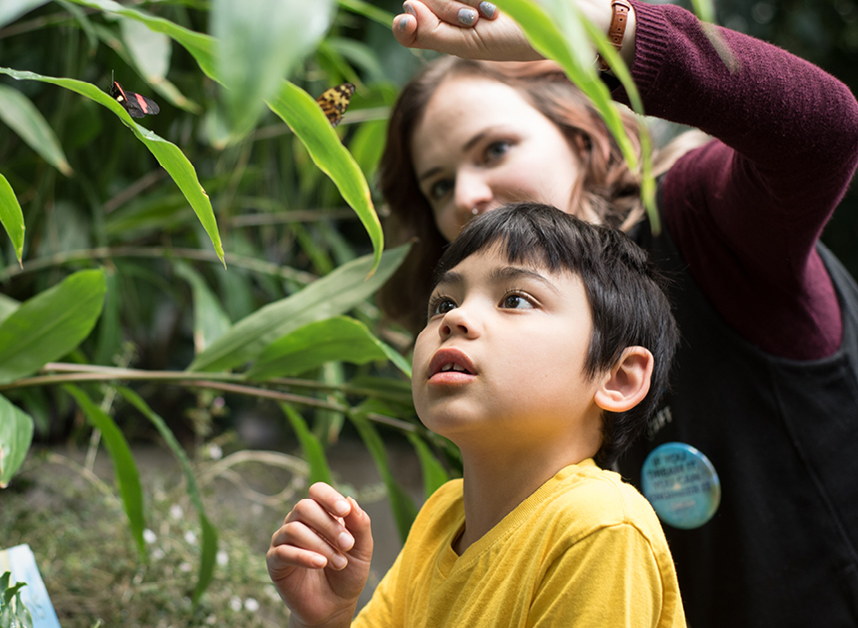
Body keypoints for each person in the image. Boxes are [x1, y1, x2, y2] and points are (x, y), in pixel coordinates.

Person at [376, 1, 858, 625]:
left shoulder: (698, 219)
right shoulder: (489, 357)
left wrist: (593, 28)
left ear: (582, 133)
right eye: (439, 185)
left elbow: (825, 129)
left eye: (494, 149)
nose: (465, 196)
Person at [267, 202, 685, 627]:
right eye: (443, 303)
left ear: (619, 378)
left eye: (515, 299)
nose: (456, 318)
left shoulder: (598, 525)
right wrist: (328, 618)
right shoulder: (444, 515)